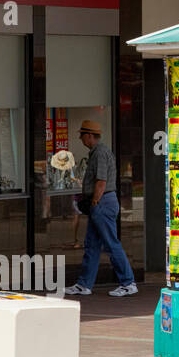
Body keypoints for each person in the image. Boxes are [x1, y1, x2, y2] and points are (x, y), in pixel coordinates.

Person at [63, 120, 137, 297]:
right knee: (92, 245)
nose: (81, 138)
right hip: (102, 202)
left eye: (82, 135)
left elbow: (101, 181)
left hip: (103, 202)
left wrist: (95, 202)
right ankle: (84, 284)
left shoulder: (100, 153)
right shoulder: (98, 152)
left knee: (110, 244)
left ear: (89, 136)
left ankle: (128, 282)